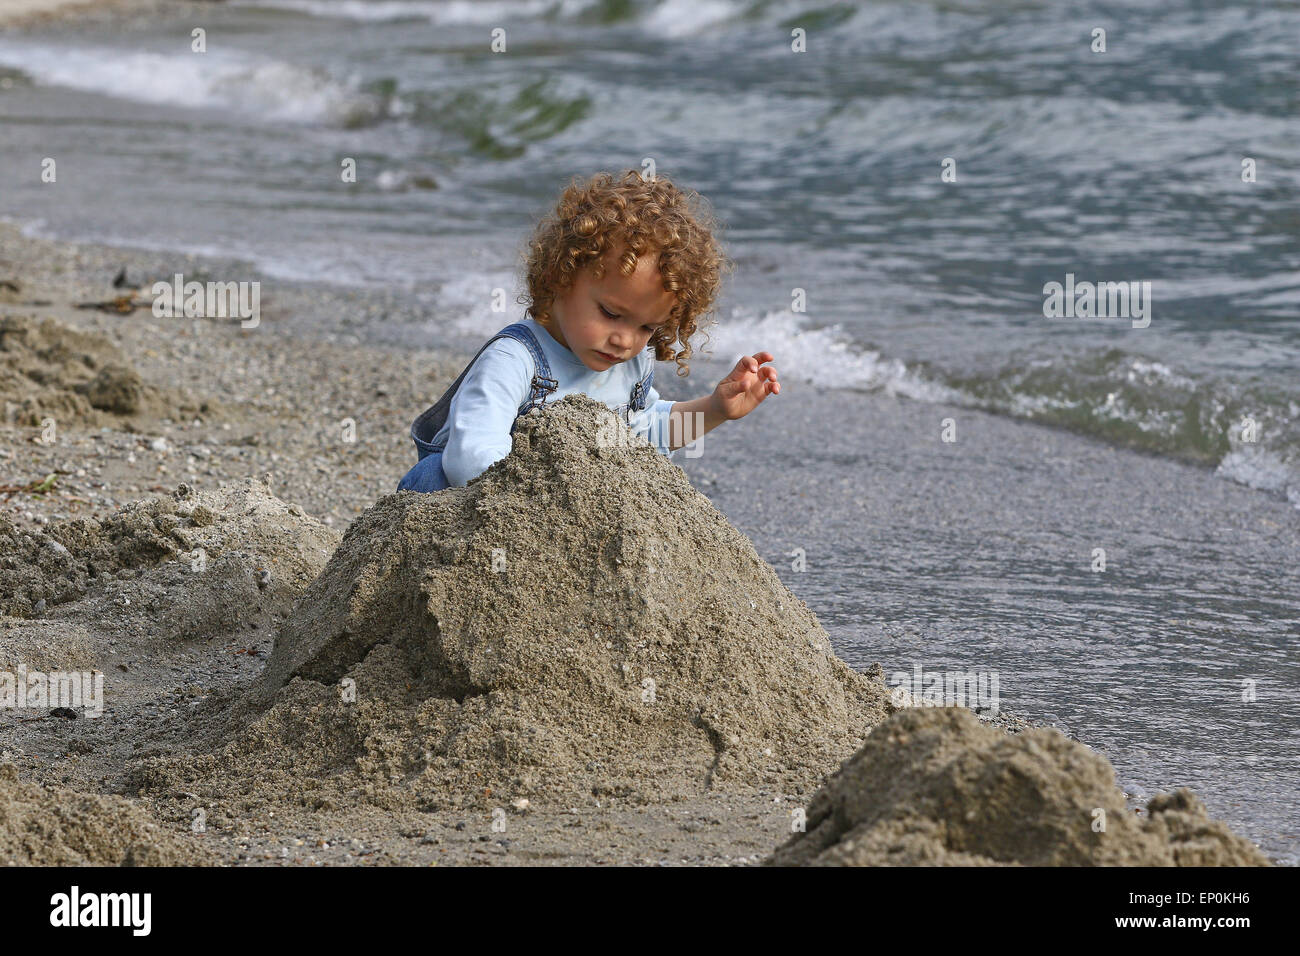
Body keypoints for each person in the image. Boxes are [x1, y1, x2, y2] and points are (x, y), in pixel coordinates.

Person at [397, 170, 779, 492]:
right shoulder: (515, 360)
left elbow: (647, 434)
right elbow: (471, 456)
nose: (625, 340)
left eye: (647, 326)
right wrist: (544, 503)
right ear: (558, 278)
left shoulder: (630, 365)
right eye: (611, 313)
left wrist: (715, 409)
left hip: (563, 527)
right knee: (433, 475)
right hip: (472, 507)